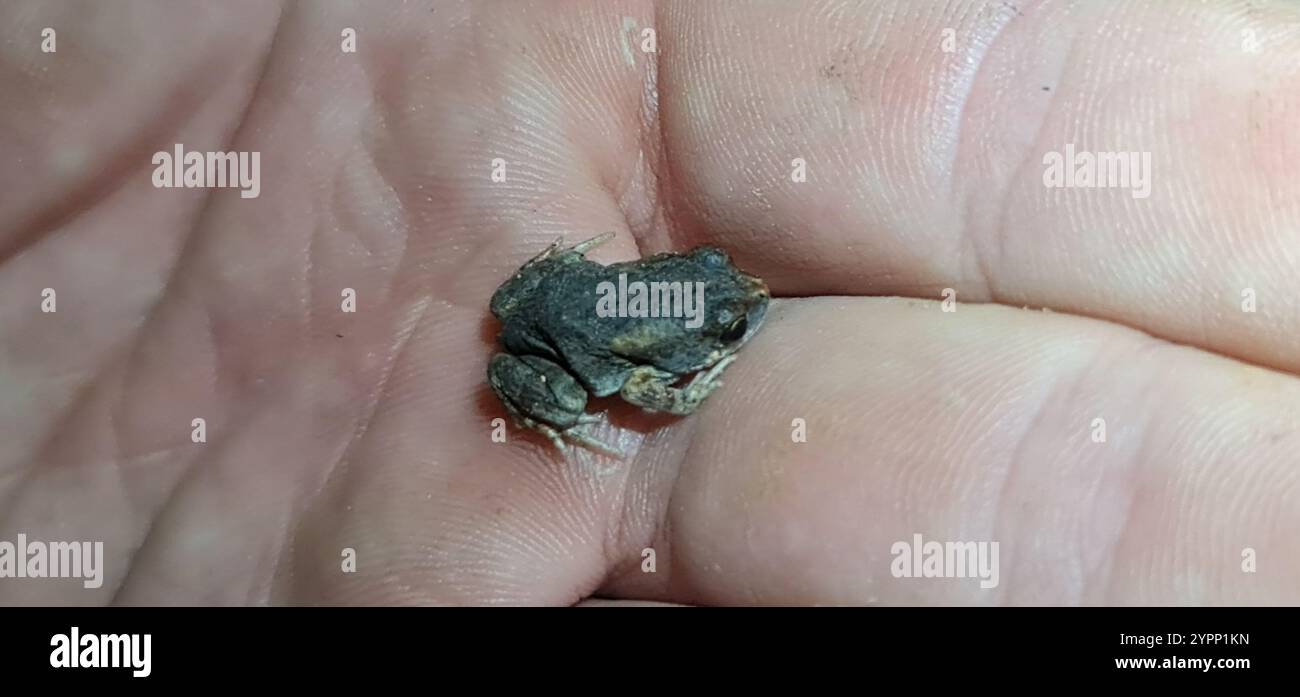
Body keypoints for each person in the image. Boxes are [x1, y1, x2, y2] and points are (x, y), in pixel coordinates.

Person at [2, 1, 1296, 605]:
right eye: (729, 322)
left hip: (575, 287)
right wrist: (606, 393)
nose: (742, 318)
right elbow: (626, 376)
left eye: (731, 310)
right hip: (561, 324)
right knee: (545, 375)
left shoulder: (692, 295)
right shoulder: (661, 345)